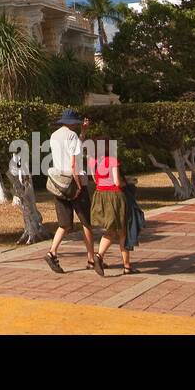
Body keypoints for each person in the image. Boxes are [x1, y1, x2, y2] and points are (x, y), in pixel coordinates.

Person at [44, 109, 96, 273]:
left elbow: (72, 150)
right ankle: (91, 259)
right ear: (72, 122)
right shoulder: (71, 136)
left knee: (64, 224)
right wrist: (79, 185)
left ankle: (52, 252)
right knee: (86, 223)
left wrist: (83, 132)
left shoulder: (54, 136)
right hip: (74, 182)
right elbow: (74, 163)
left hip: (60, 182)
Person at [89, 136, 133, 276]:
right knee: (121, 231)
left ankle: (126, 266)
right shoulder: (112, 160)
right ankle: (101, 257)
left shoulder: (92, 161)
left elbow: (96, 179)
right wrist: (129, 182)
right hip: (114, 197)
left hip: (100, 196)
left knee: (112, 229)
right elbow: (117, 182)